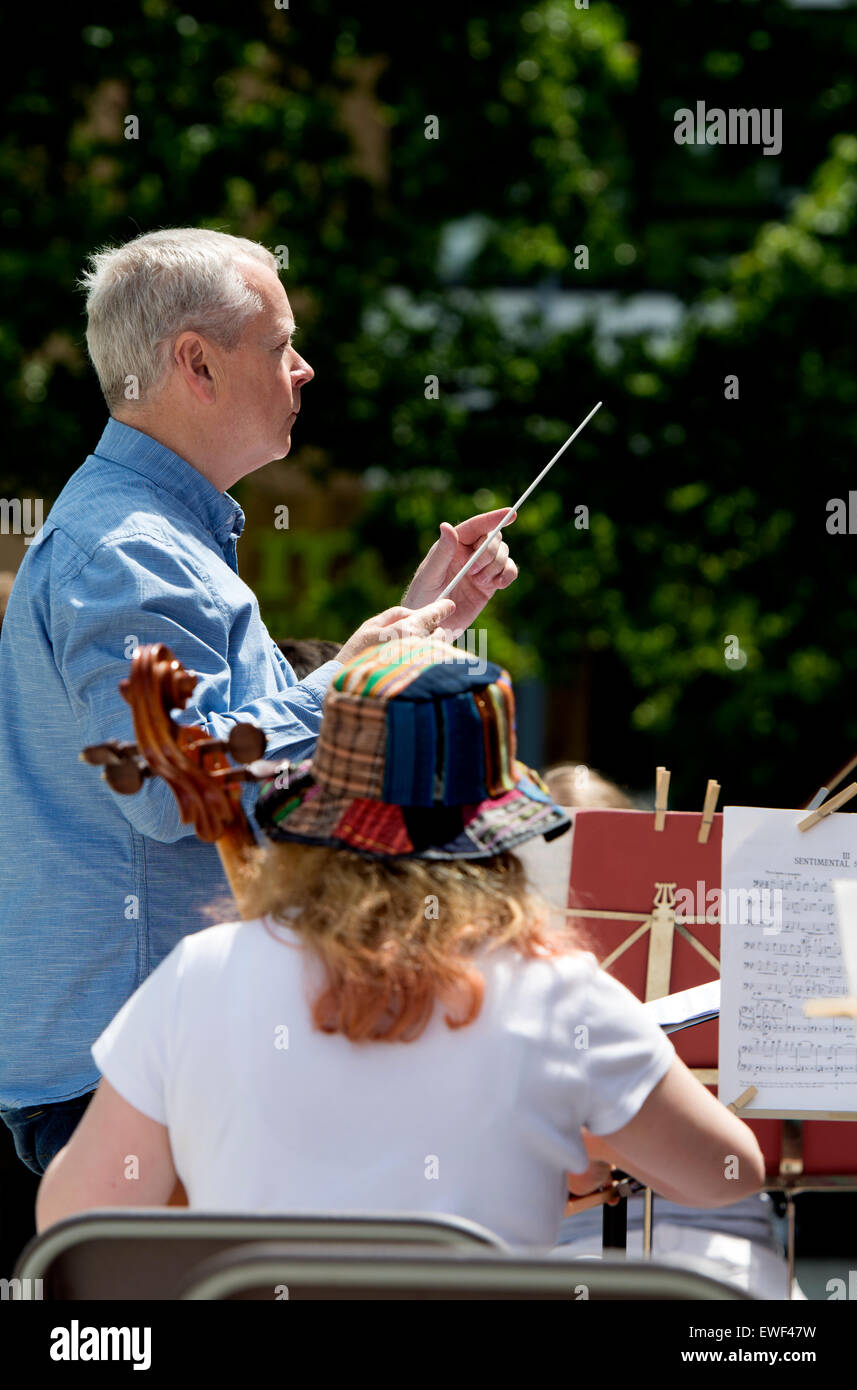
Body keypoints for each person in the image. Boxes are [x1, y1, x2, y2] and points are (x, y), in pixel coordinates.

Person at [0, 227, 517, 1178]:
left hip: (152, 1064)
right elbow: (174, 784)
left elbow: (244, 768)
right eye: (282, 344)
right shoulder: (127, 549)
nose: (305, 368)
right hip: (139, 1072)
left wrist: (407, 630)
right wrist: (352, 685)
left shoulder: (150, 537)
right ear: (194, 363)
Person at [35, 641, 764, 1251]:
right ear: (497, 830)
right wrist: (576, 1134)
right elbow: (729, 1175)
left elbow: (74, 1219)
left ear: (322, 805)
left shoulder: (201, 974)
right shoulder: (559, 994)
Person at [538, 763, 802, 1299]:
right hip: (569, 1255)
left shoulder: (727, 955)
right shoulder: (515, 987)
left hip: (728, 1246)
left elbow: (749, 1166)